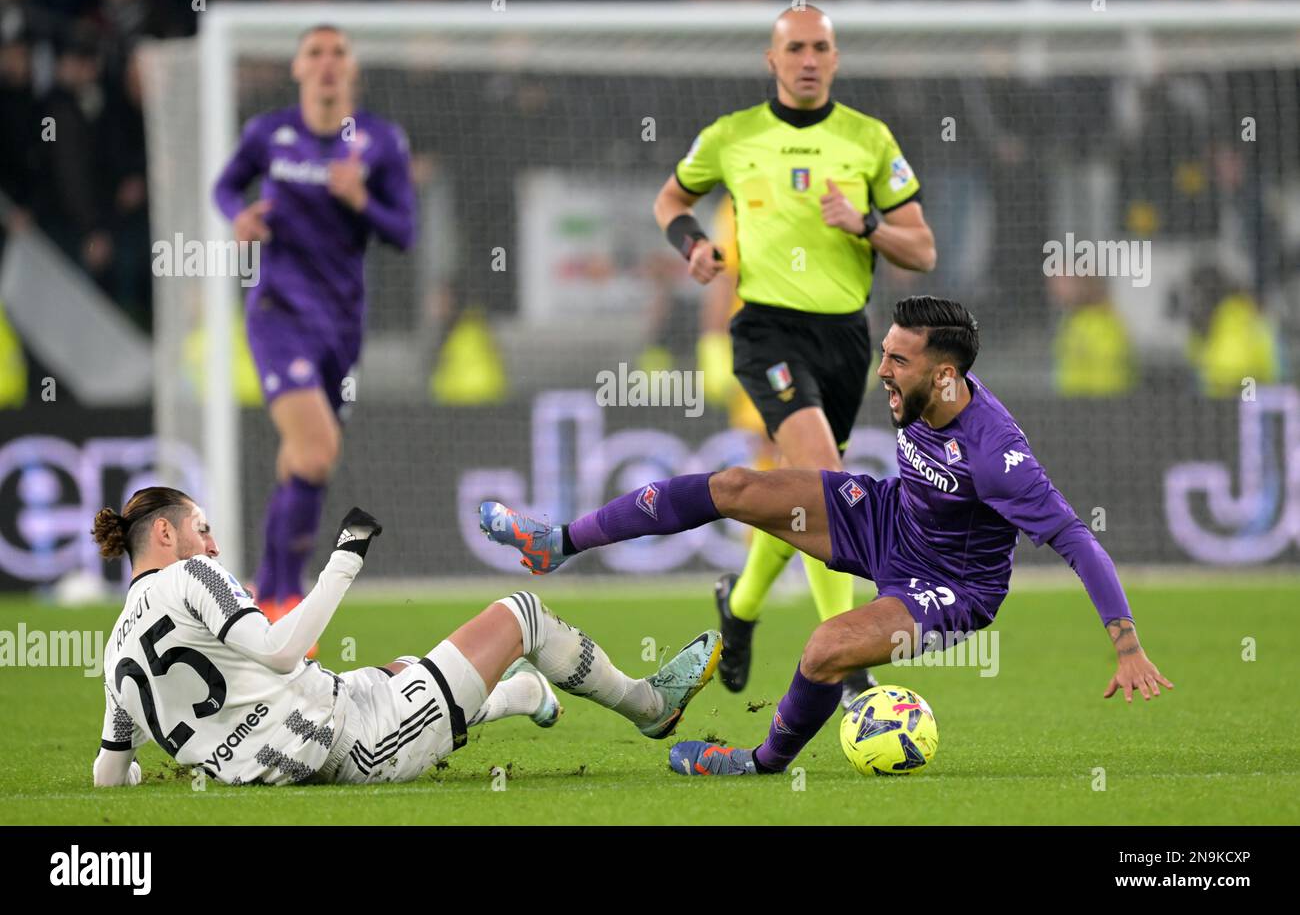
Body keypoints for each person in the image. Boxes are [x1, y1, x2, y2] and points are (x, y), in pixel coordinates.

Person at [480, 295, 1174, 778]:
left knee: (825, 648)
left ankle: (760, 763)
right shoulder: (930, 388)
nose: (884, 372)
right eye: (888, 354)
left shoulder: (997, 455)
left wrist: (1129, 646)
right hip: (884, 519)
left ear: (946, 375)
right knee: (737, 488)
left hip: (948, 588)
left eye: (899, 362)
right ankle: (560, 542)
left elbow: (1078, 541)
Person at [652, 4, 935, 704]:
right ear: (771, 60)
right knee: (826, 477)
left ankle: (739, 608)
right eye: (796, 48)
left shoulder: (867, 139)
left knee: (801, 492)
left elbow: (922, 248)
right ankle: (848, 660)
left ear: (835, 59)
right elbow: (670, 199)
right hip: (766, 331)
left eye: (821, 48)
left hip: (844, 339)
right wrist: (693, 244)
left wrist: (866, 223)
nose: (809, 59)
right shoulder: (732, 135)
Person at [91, 487, 719, 786]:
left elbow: (108, 778)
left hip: (317, 726)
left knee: (398, 669)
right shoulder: (193, 574)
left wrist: (147, 778)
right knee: (521, 614)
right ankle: (650, 707)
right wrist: (345, 560)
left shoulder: (118, 647)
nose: (214, 544)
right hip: (352, 745)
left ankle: (523, 696)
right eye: (202, 528)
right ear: (167, 536)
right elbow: (282, 652)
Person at [212, 24, 416, 624]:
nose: (327, 63)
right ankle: (283, 600)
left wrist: (360, 200)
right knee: (317, 449)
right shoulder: (270, 133)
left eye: (338, 54)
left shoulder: (380, 142)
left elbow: (404, 233)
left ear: (352, 70)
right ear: (298, 68)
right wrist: (238, 215)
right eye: (315, 53)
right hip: (279, 311)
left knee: (303, 459)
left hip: (341, 325)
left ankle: (265, 590)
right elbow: (226, 185)